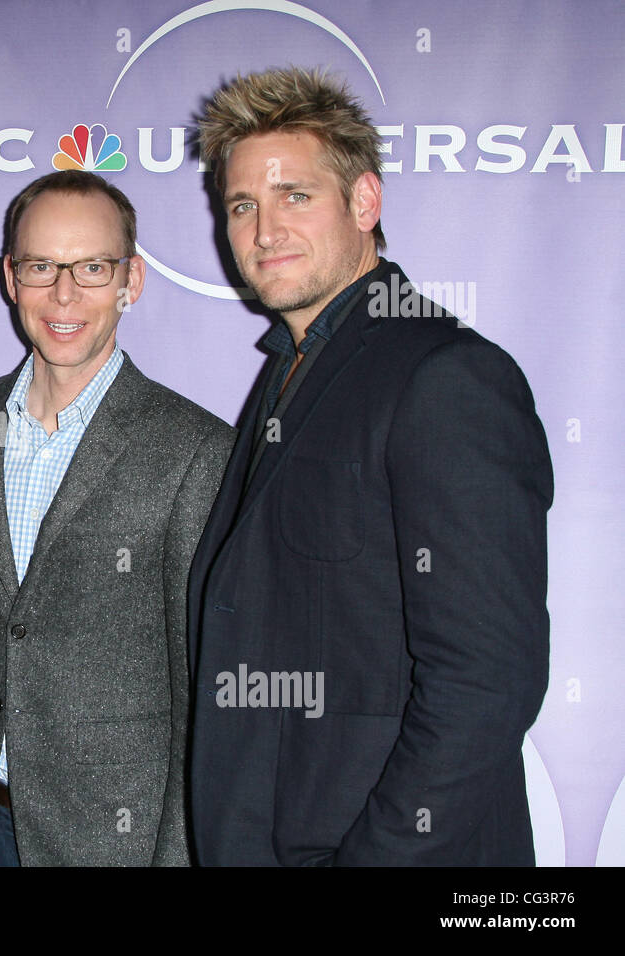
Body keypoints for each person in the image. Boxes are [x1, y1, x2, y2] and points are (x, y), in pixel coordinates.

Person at [187, 67, 553, 865]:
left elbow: (486, 684)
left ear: (364, 203)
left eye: (296, 196)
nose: (264, 229)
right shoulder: (291, 369)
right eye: (242, 204)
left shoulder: (444, 376)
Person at [0, 171, 234, 866]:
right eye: (41, 266)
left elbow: (202, 685)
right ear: (11, 277)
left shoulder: (195, 449)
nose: (63, 294)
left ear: (132, 281)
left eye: (92, 268)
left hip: (118, 841)